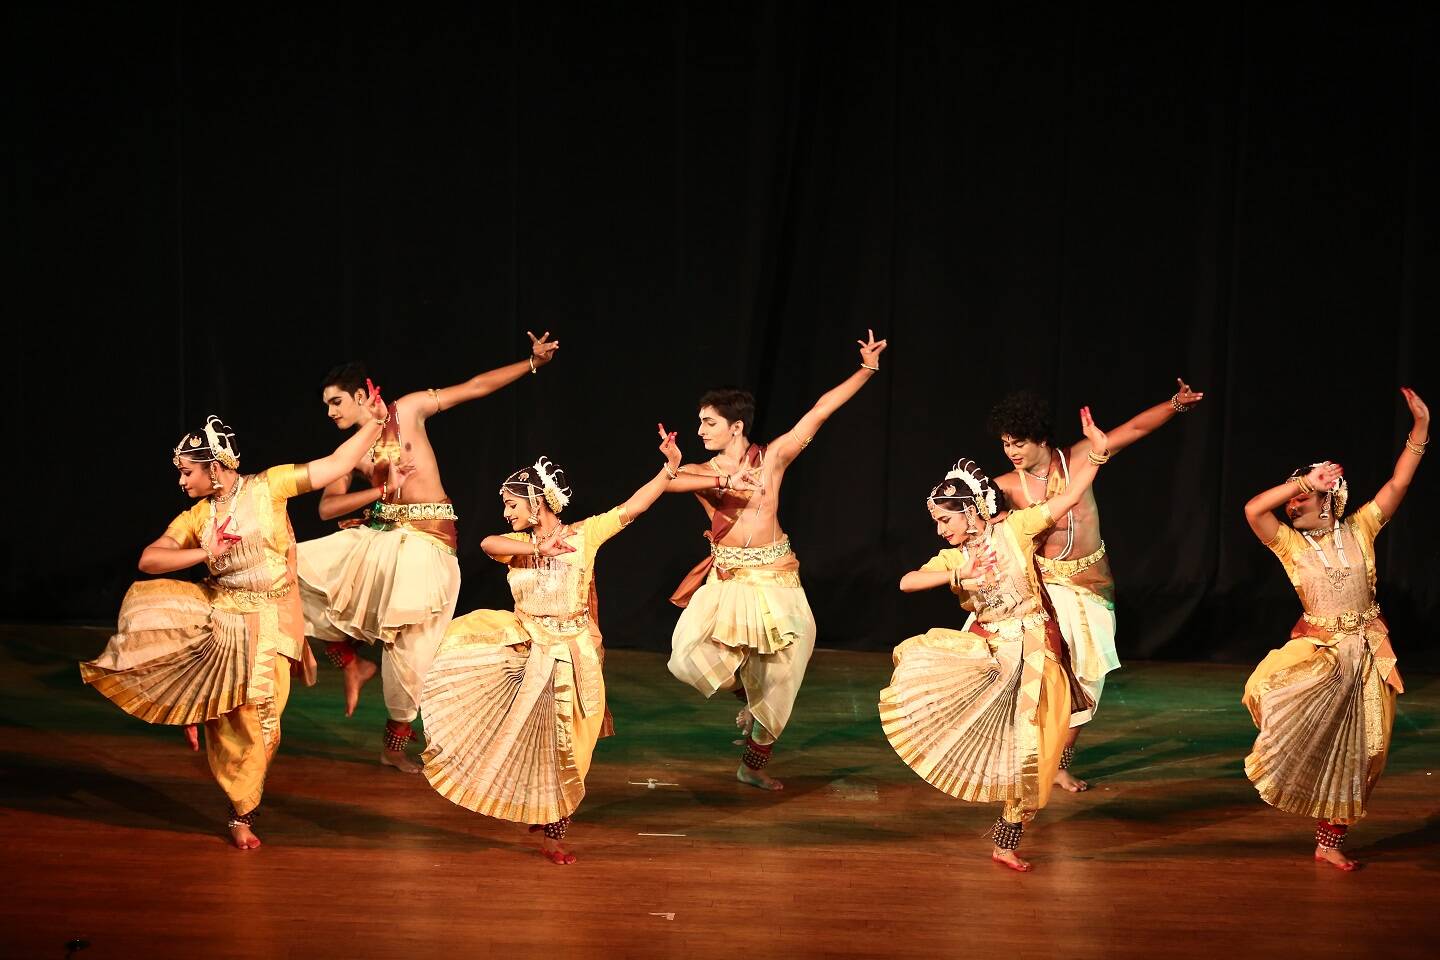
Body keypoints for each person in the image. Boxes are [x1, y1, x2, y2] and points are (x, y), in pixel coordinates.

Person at [81, 397, 386, 849]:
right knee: (235, 718)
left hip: (273, 618)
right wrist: (206, 553)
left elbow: (338, 462)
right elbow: (150, 559)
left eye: (188, 471)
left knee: (266, 721)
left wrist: (377, 423)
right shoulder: (198, 516)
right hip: (224, 619)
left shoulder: (269, 487)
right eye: (181, 472)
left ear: (215, 467)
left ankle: (236, 794)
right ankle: (237, 805)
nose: (182, 480)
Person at [298, 333, 559, 772]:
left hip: (427, 546)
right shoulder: (350, 452)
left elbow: (475, 387)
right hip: (383, 539)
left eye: (336, 402)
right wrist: (382, 490)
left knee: (411, 649)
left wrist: (531, 364)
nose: (330, 412)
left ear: (362, 395)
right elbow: (327, 507)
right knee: (293, 567)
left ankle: (393, 747)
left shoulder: (408, 409)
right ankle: (348, 662)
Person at [419, 431, 681, 864]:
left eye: (512, 505)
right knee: (533, 741)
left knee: (576, 746)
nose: (506, 513)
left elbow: (633, 508)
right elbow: (486, 544)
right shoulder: (518, 545)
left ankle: (555, 823)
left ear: (536, 502)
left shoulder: (583, 536)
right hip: (529, 652)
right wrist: (538, 546)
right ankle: (553, 830)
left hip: (574, 655)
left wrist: (669, 469)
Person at [881, 407, 1109, 871]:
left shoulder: (1014, 529)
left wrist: (1097, 459)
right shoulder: (952, 559)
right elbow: (905, 581)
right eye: (938, 524)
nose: (941, 530)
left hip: (1037, 655)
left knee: (1037, 749)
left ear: (969, 512)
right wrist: (959, 570)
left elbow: (1062, 504)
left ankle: (1007, 839)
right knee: (1005, 745)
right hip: (992, 656)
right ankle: (1004, 824)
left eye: (946, 521)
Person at [666, 331, 888, 790]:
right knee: (686, 659)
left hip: (776, 581)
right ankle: (745, 694)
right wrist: (687, 471)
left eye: (708, 423)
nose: (700, 430)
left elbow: (820, 412)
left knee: (783, 677)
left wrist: (866, 369)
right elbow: (664, 486)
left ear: (736, 426)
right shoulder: (700, 473)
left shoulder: (772, 459)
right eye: (700, 422)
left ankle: (752, 766)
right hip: (727, 582)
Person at [1241, 387, 1427, 871]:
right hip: (1321, 655)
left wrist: (1420, 432)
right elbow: (1253, 510)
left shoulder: (1361, 527)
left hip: (1366, 656)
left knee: (1365, 751)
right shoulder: (1288, 544)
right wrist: (1302, 479)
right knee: (1299, 726)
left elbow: (1399, 484)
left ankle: (1329, 841)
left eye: (1299, 497)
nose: (1290, 504)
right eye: (1291, 495)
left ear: (1326, 500)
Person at [985, 380, 1204, 790]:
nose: (1011, 452)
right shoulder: (1006, 487)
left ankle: (1059, 763)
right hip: (1044, 587)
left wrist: (1176, 404)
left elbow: (1136, 429)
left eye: (1018, 443)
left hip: (1090, 582)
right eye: (1005, 444)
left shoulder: (1082, 457)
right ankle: (1024, 755)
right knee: (1038, 676)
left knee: (1088, 679)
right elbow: (986, 531)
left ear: (1040, 438)